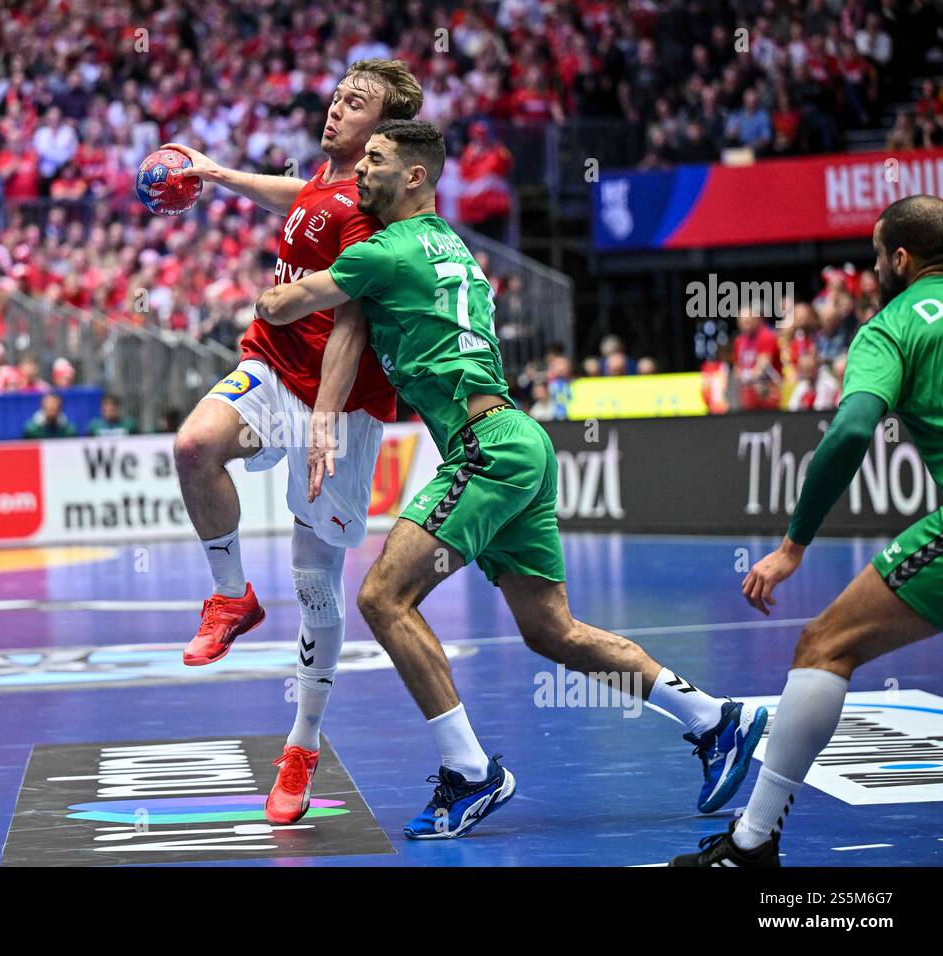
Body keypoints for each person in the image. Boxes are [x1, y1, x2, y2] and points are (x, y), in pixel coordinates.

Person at [256, 120, 765, 839]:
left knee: (382, 597)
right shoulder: (450, 245)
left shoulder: (382, 250)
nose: (357, 170)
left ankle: (470, 775)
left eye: (373, 160)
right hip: (520, 443)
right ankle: (717, 720)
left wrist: (284, 263)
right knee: (552, 631)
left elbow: (281, 307)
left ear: (414, 177)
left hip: (484, 450)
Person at [165, 60, 423, 826]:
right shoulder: (330, 179)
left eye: (356, 104)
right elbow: (303, 198)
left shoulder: (374, 207)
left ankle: (303, 742)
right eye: (338, 95)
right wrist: (216, 172)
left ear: (382, 132)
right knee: (193, 446)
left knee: (316, 589)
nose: (336, 108)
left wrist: (324, 415)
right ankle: (230, 596)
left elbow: (352, 317)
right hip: (271, 368)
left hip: (338, 408)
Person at [672, 195, 943, 867]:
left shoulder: (894, 326)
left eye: (878, 256)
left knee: (824, 644)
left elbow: (851, 429)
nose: (874, 267)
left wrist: (794, 545)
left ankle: (752, 843)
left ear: (900, 260)